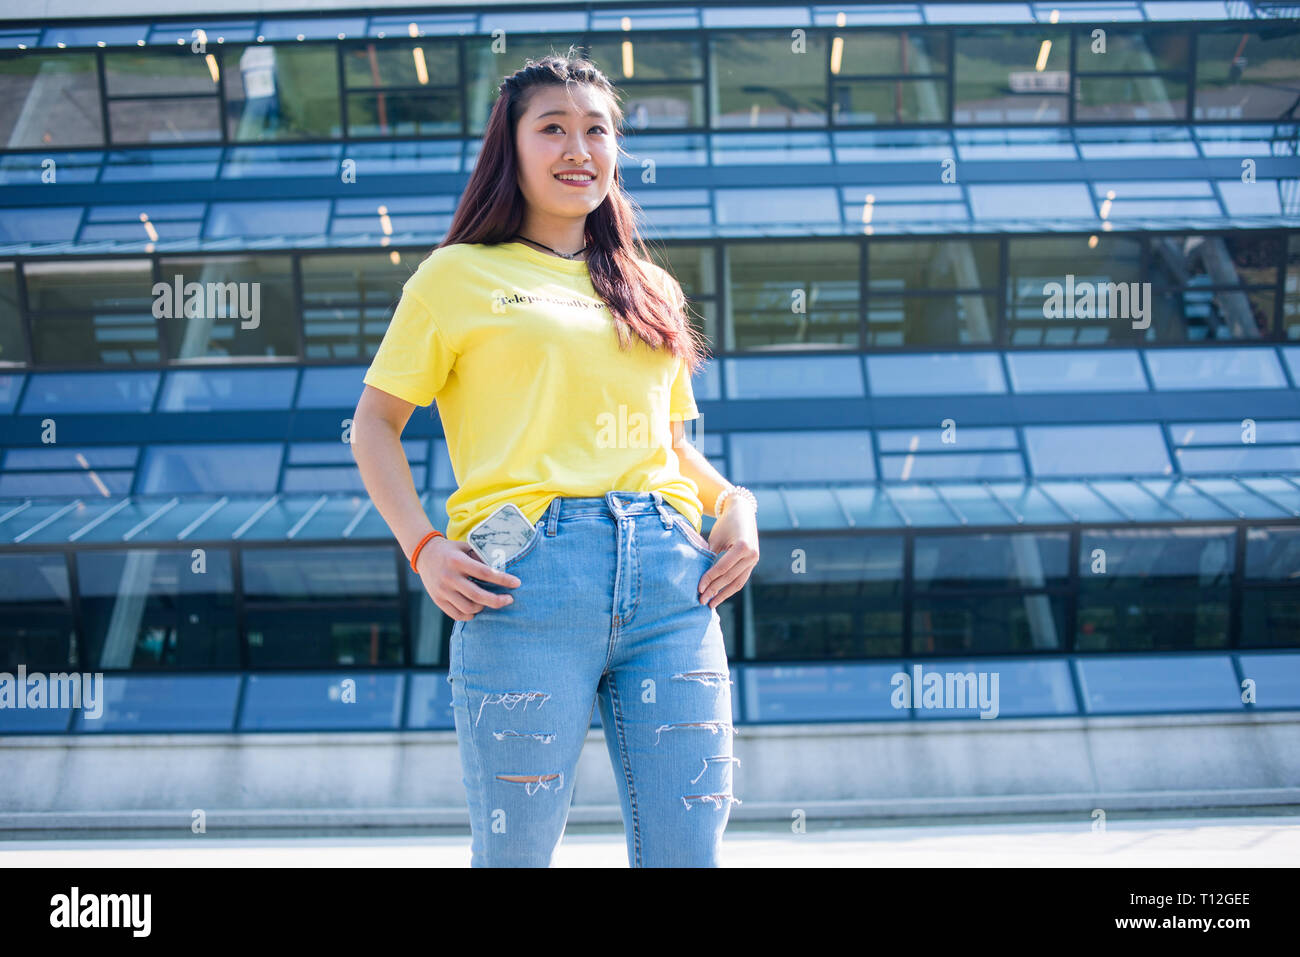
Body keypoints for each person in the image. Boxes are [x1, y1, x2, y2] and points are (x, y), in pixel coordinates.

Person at [350, 50, 759, 867]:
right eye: (553, 129)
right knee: (517, 852)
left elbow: (671, 446)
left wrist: (734, 503)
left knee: (690, 850)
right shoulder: (455, 276)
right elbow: (373, 426)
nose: (580, 149)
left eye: (597, 130)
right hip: (523, 573)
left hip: (671, 581)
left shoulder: (649, 288)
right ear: (511, 145)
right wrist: (424, 548)